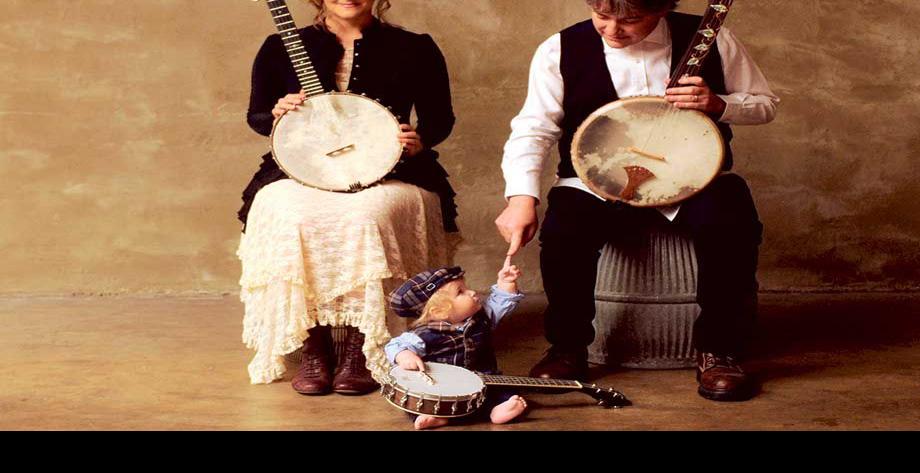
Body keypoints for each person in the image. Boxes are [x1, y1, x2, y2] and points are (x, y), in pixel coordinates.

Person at [495, 0, 779, 401]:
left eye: (631, 19)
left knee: (731, 221)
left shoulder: (712, 39)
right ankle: (567, 347)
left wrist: (719, 104)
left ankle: (719, 350)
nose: (612, 30)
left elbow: (765, 105)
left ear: (662, 8)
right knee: (563, 233)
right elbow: (533, 128)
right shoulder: (559, 49)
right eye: (602, 16)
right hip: (594, 181)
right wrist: (521, 196)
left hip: (694, 178)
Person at [238, 0, 459, 396]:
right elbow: (256, 117)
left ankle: (363, 343)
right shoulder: (279, 44)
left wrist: (419, 140)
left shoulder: (416, 47)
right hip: (301, 168)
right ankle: (314, 344)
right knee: (294, 217)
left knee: (367, 217)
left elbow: (440, 118)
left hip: (393, 168)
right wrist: (277, 113)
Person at [384, 265, 529, 429]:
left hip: (482, 380)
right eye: (461, 292)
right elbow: (396, 345)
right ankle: (435, 415)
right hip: (443, 386)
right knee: (422, 401)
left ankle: (499, 409)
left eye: (466, 287)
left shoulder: (482, 318)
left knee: (501, 391)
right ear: (439, 312)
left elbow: (499, 303)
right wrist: (404, 355)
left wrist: (506, 283)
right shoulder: (424, 334)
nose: (472, 292)